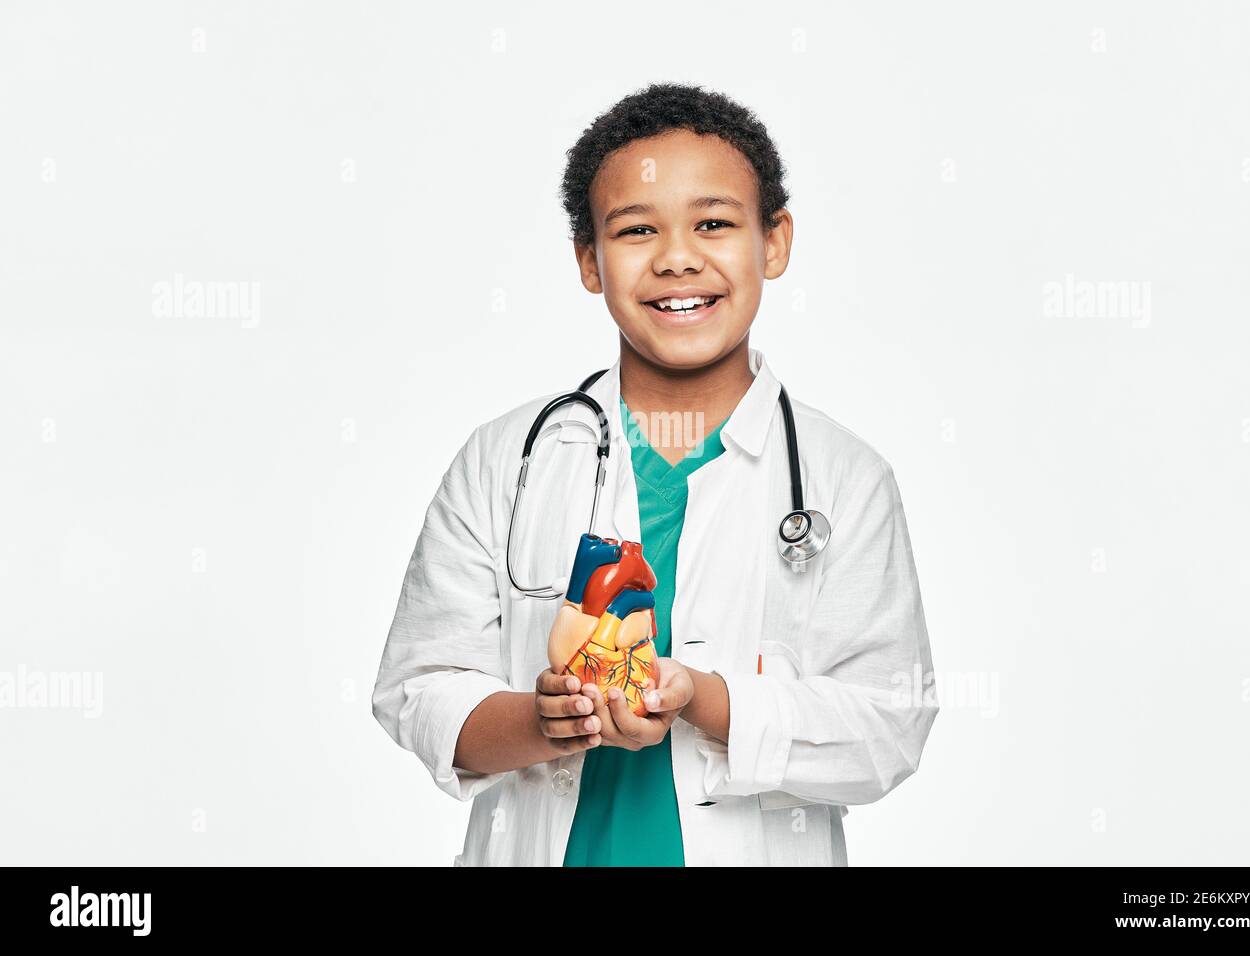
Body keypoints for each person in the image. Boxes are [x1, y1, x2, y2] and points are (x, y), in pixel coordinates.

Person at [371, 83, 939, 866]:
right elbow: (419, 687)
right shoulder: (509, 460)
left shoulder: (847, 480)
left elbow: (888, 726)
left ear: (773, 242)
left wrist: (704, 699)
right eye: (637, 230)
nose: (677, 257)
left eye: (713, 222)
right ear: (589, 261)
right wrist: (546, 723)